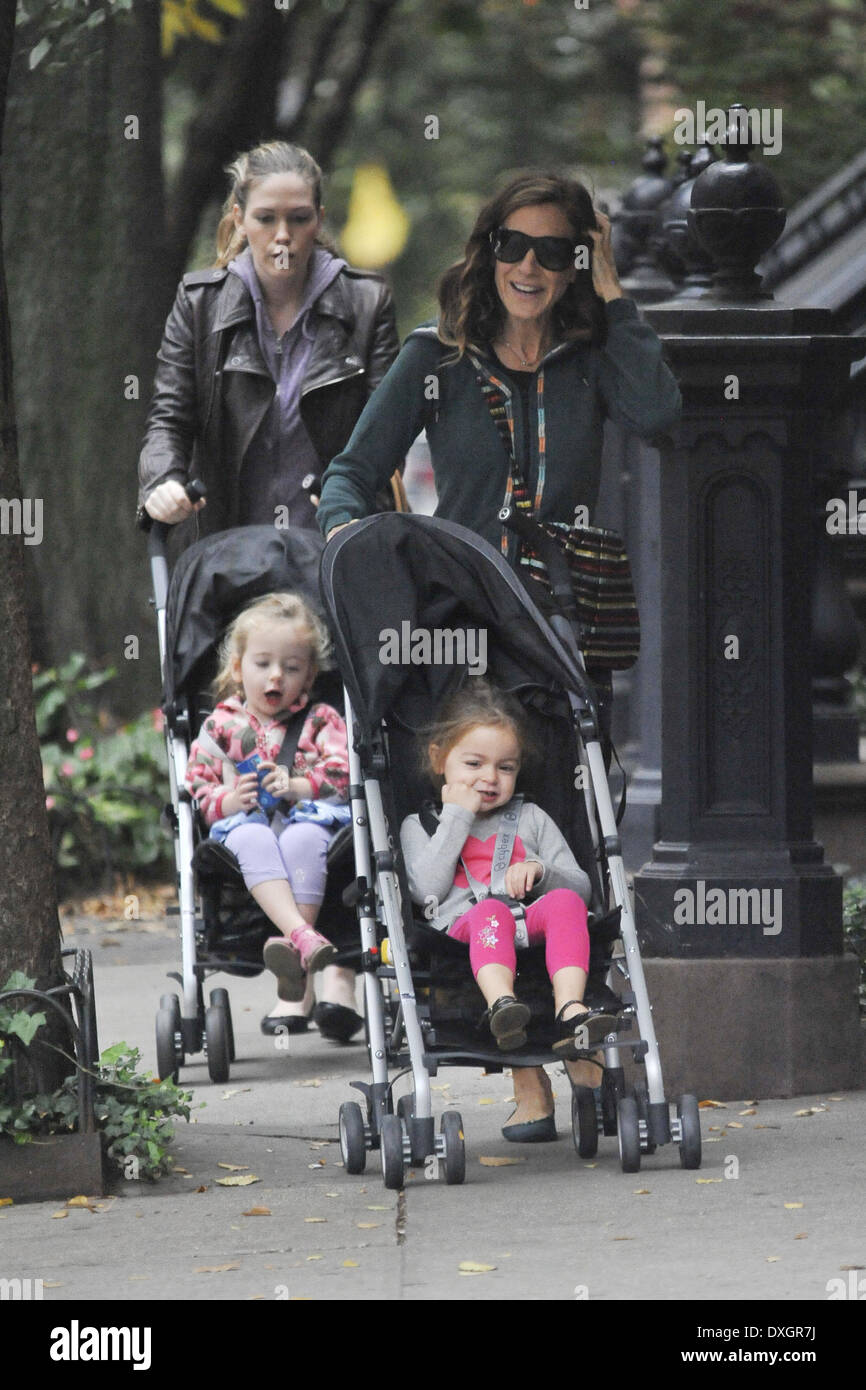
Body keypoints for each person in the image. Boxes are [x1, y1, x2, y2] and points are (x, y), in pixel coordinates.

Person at [317, 169, 681, 1135]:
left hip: (563, 633)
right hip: (465, 633)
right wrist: (359, 555)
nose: (530, 265)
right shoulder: (437, 359)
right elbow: (353, 472)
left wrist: (611, 291)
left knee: (569, 832)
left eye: (555, 250)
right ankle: (522, 1078)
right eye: (513, 245)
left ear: (576, 260)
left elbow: (661, 414)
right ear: (487, 251)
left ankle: (583, 1042)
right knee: (484, 832)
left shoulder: (595, 357)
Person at [139, 140, 396, 1038]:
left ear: (318, 219)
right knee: (249, 743)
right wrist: (162, 481)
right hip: (239, 560)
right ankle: (301, 973)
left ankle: (336, 979)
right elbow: (169, 414)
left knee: (335, 759)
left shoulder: (364, 303)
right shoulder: (202, 303)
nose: (283, 236)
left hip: (332, 554)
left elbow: (384, 424)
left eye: (299, 218)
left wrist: (356, 488)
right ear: (238, 221)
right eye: (266, 218)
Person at [400, 682, 616, 1142]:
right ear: (440, 760)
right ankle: (504, 1004)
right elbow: (425, 890)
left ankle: (571, 1007)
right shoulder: (420, 825)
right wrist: (457, 815)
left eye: (506, 767)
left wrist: (541, 870)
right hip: (465, 933)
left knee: (564, 901)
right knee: (491, 912)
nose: (490, 778)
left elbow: (582, 887)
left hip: (530, 924)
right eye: (473, 764)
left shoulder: (531, 818)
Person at [185, 593, 349, 1004]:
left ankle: (294, 950)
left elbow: (343, 773)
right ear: (238, 669)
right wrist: (230, 799)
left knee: (304, 837)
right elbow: (198, 786)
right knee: (254, 838)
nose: (276, 676)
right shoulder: (222, 725)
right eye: (263, 664)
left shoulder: (320, 721)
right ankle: (302, 937)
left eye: (291, 668)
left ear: (309, 676)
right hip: (246, 826)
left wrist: (298, 785)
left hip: (305, 823)